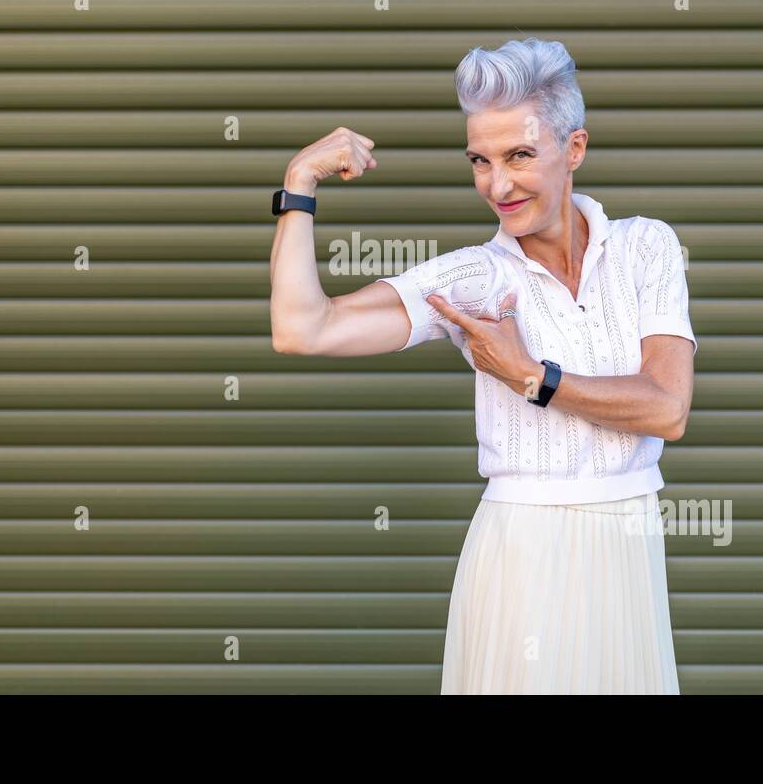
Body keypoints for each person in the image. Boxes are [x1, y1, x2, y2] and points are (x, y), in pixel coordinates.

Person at [268, 37, 696, 694]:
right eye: (480, 161)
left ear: (574, 149)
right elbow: (302, 329)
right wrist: (299, 185)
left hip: (630, 544)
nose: (498, 185)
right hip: (522, 554)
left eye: (519, 155)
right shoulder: (474, 277)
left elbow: (666, 408)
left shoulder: (646, 247)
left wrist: (533, 376)